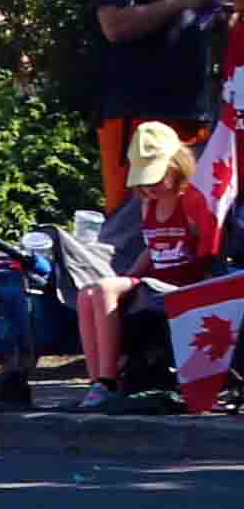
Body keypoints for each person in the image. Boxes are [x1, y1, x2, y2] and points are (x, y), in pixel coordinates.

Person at [84, 0, 228, 221]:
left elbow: (205, 21)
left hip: (192, 113)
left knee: (188, 220)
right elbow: (114, 26)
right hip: (137, 116)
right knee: (130, 223)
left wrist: (220, 11)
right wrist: (182, 1)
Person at [71, 121, 222, 407]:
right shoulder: (147, 204)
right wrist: (128, 278)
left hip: (181, 285)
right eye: (143, 181)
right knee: (87, 292)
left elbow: (209, 251)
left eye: (154, 178)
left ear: (176, 166)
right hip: (153, 281)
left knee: (104, 289)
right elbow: (151, 249)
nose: (148, 187)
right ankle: (97, 381)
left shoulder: (191, 203)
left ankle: (108, 381)